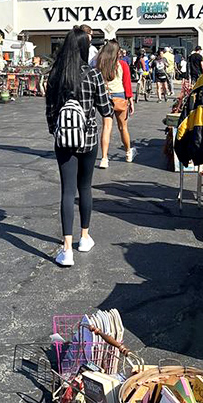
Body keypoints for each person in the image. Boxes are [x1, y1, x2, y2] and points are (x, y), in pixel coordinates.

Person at [45, 27, 113, 266]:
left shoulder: (56, 74)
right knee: (85, 188)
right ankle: (84, 237)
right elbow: (106, 109)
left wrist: (58, 130)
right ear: (84, 48)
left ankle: (66, 249)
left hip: (64, 141)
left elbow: (50, 113)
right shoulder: (92, 75)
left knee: (66, 191)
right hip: (88, 139)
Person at [96, 39, 136, 167]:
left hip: (105, 97)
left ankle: (104, 158)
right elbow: (127, 83)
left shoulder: (101, 64)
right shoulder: (123, 65)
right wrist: (130, 99)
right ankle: (128, 153)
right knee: (123, 127)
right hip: (120, 96)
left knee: (106, 127)